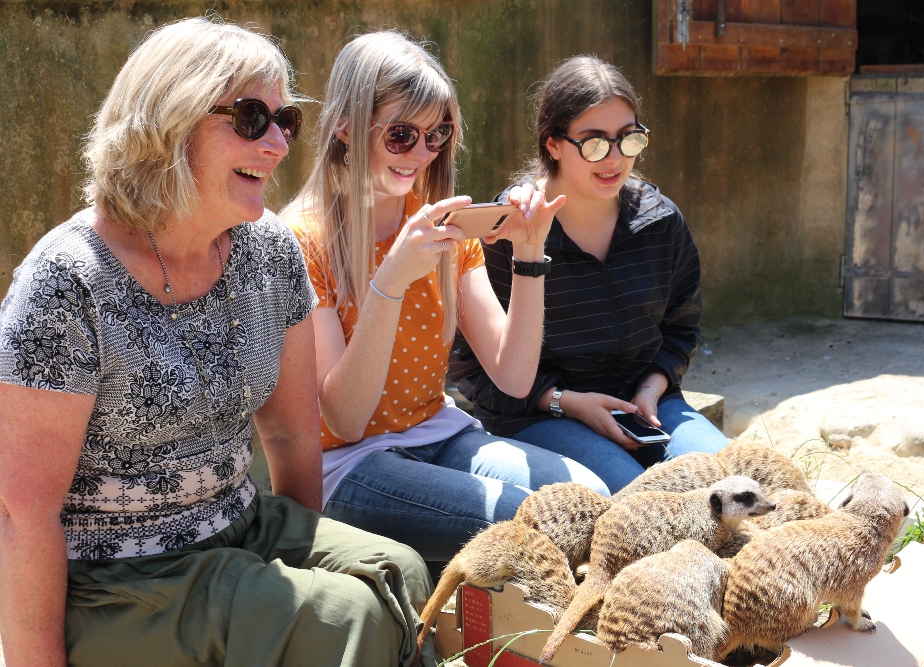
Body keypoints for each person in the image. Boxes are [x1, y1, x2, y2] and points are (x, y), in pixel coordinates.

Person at [0, 18, 432, 667]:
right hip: (116, 582)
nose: (280, 141)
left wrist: (303, 567)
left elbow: (290, 436)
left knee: (398, 574)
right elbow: (20, 515)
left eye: (285, 118)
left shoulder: (269, 253)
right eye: (253, 116)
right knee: (347, 616)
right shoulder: (66, 283)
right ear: (167, 121)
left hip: (239, 524)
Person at [282, 31, 609, 565]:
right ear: (344, 126)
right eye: (401, 134)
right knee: (528, 530)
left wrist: (530, 257)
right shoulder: (301, 239)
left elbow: (513, 377)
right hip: (347, 464)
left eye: (438, 135)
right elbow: (344, 419)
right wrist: (388, 284)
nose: (421, 153)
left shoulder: (441, 224)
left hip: (438, 431)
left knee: (589, 500)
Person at [450, 56, 729, 495]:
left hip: (645, 408)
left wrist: (651, 391)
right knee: (636, 500)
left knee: (731, 483)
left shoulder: (660, 221)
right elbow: (471, 366)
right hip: (540, 415)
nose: (615, 158)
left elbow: (681, 327)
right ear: (554, 143)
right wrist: (566, 402)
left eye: (629, 138)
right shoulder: (507, 230)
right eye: (595, 143)